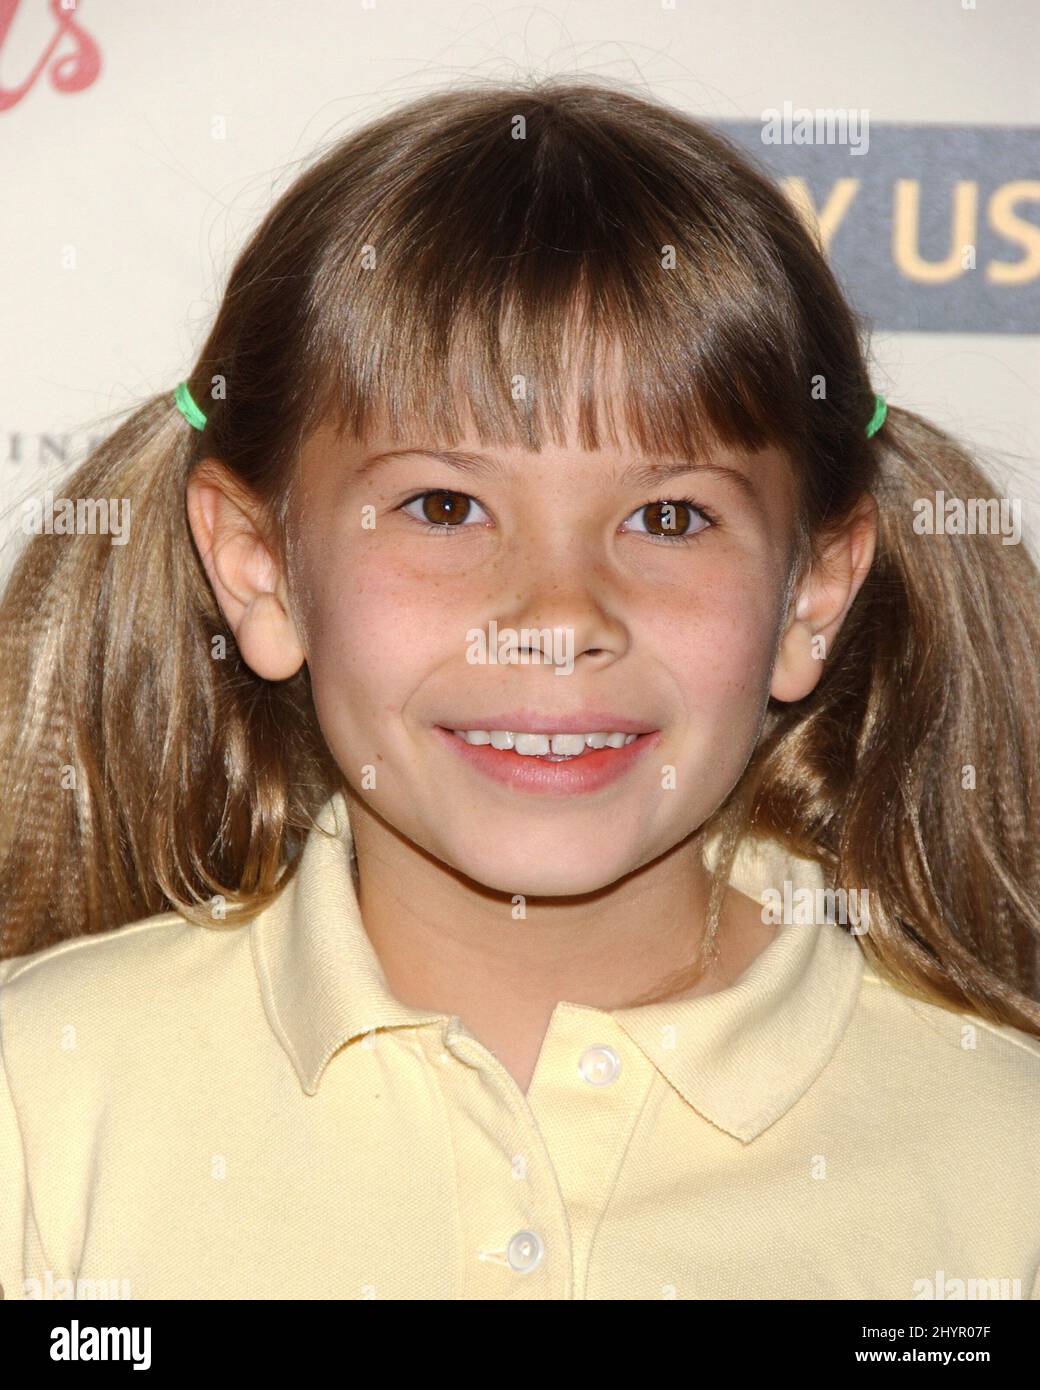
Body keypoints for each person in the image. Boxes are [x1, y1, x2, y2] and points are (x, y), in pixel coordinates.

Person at [1, 78, 1038, 1301]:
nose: (557, 619)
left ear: (811, 592)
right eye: (444, 507)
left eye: (668, 515)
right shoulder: (41, 1107)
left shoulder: (999, 1157)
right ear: (260, 569)